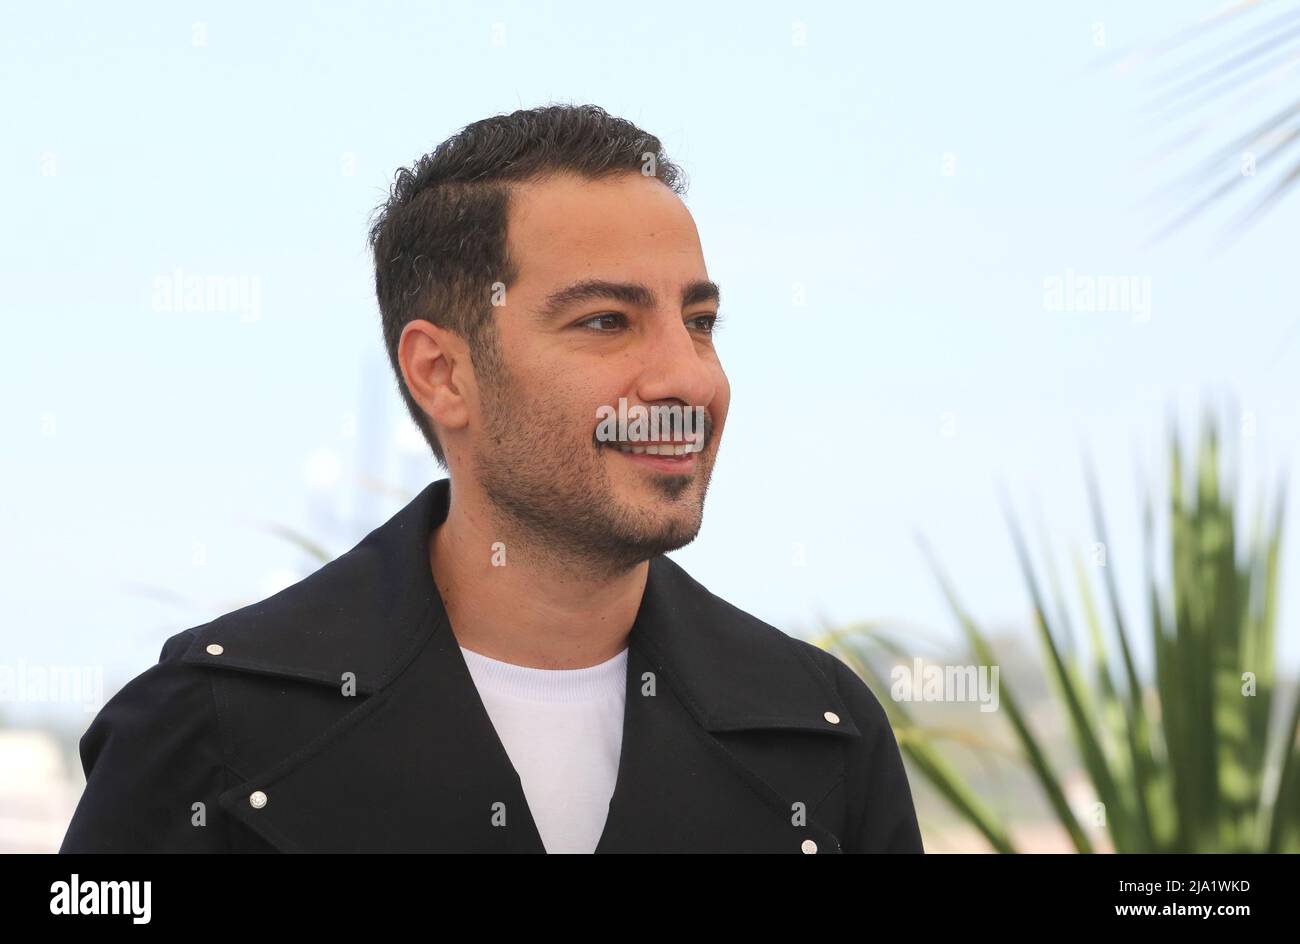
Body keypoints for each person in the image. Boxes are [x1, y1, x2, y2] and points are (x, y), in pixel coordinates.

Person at [60, 104, 923, 853]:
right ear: (442, 373)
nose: (687, 379)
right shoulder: (209, 725)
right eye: (605, 321)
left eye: (699, 322)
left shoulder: (821, 736)